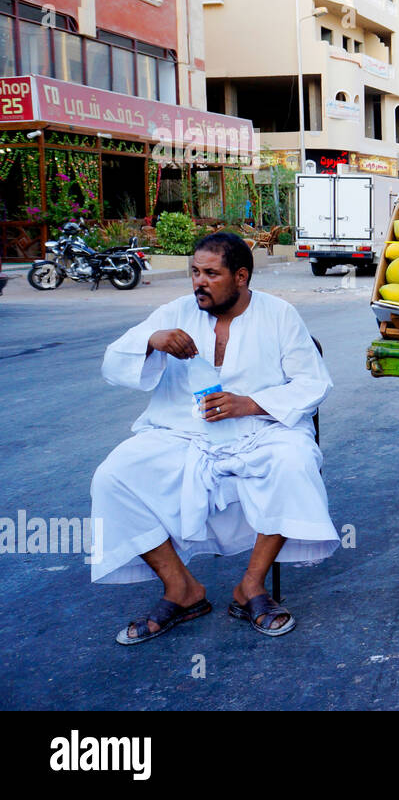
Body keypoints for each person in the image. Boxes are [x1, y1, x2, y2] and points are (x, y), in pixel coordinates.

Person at [91, 232, 339, 644]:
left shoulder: (279, 314)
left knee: (295, 462)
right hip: (182, 432)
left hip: (260, 430)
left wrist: (250, 403)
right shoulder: (177, 311)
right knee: (113, 476)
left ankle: (250, 588)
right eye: (194, 272)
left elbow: (313, 383)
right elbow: (113, 362)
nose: (198, 282)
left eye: (211, 273)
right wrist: (151, 342)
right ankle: (182, 590)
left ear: (241, 276)